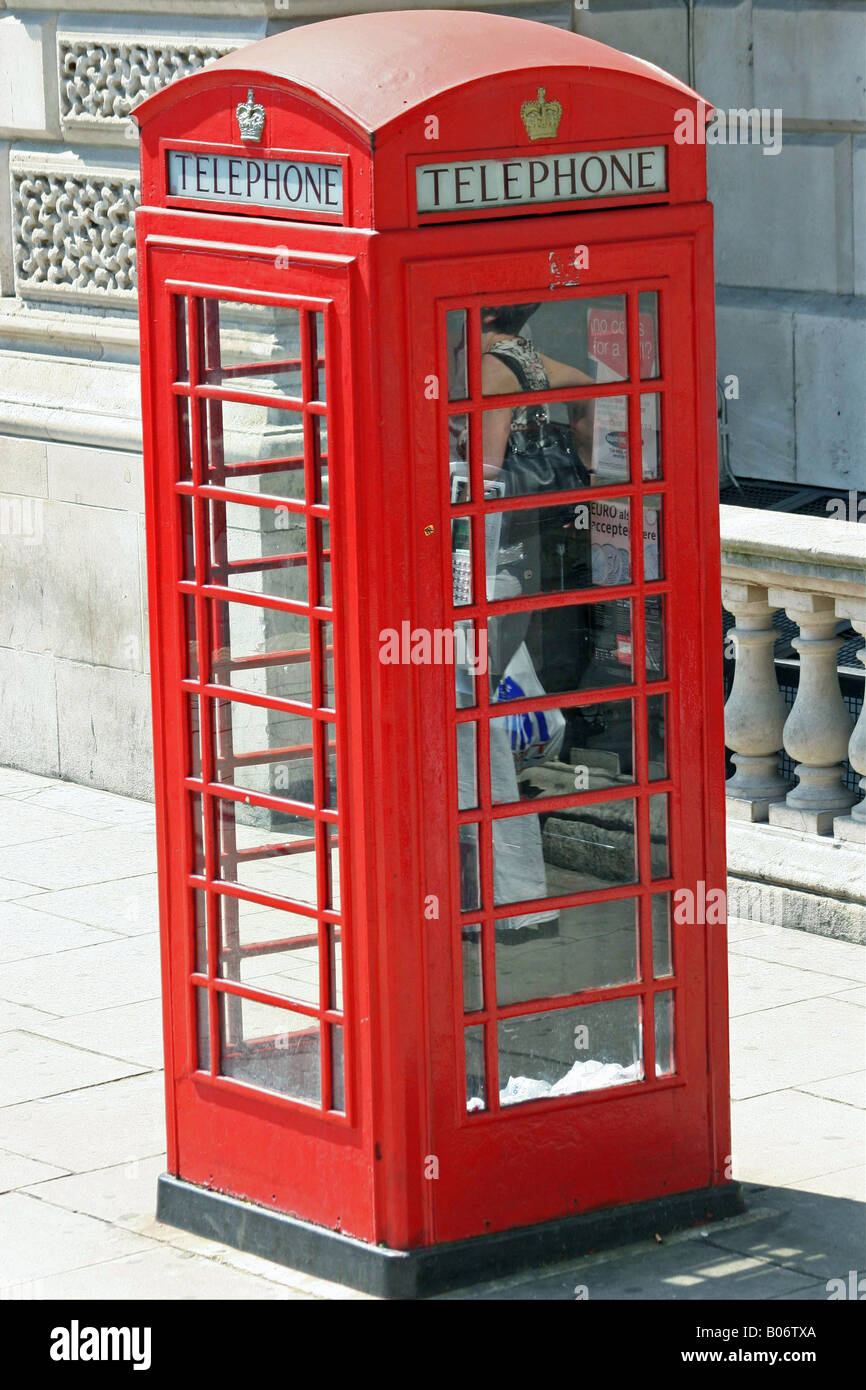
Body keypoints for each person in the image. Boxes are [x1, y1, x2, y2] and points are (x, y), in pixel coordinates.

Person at [456, 303, 597, 939]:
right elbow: (592, 394)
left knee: (468, 726)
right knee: (467, 725)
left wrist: (462, 588)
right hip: (527, 561)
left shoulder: (489, 370)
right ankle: (480, 895)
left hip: (488, 566)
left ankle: (517, 901)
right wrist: (588, 469)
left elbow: (479, 494)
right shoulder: (535, 363)